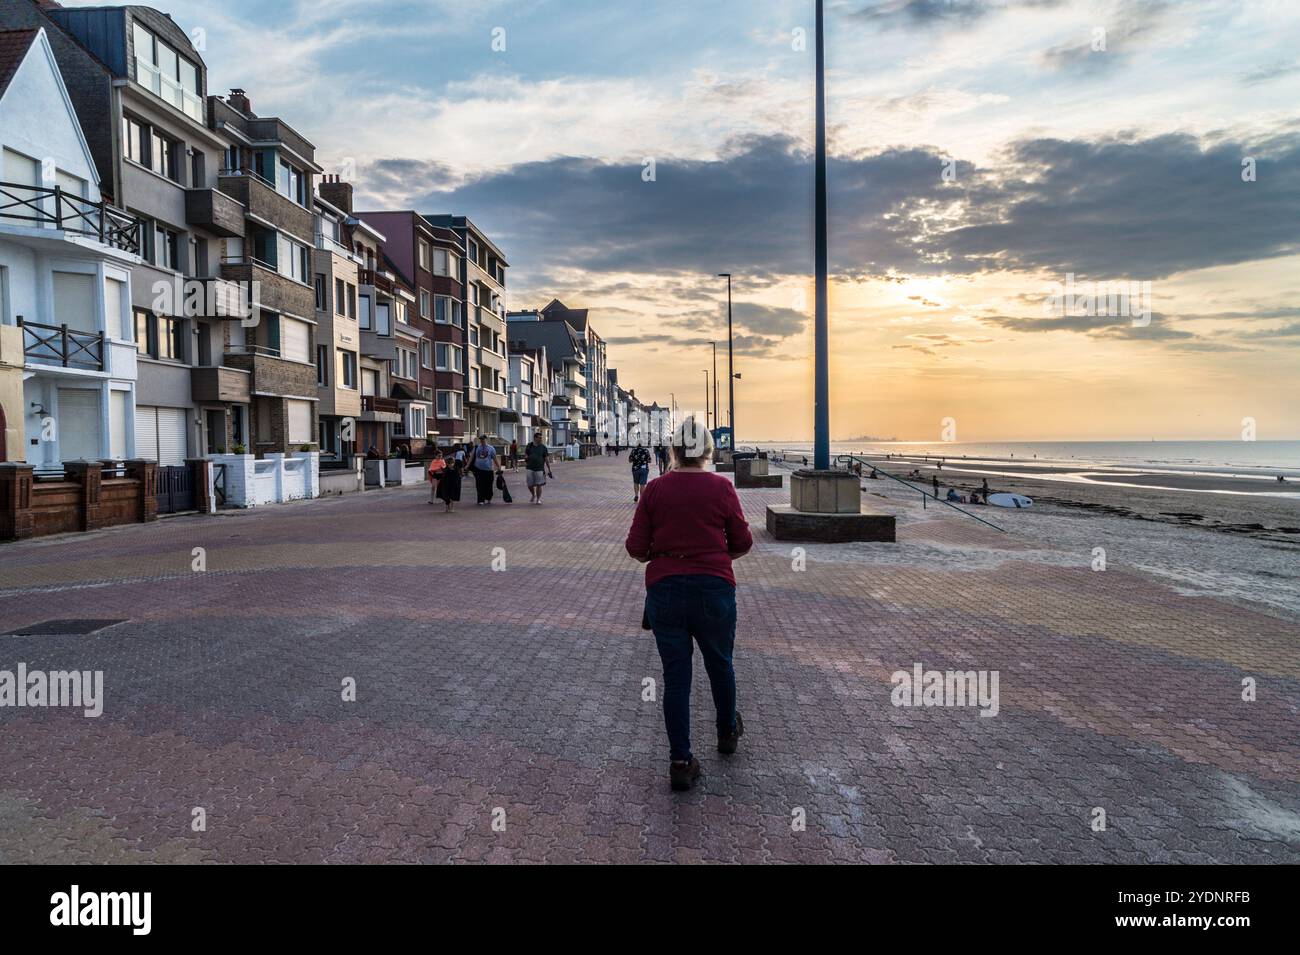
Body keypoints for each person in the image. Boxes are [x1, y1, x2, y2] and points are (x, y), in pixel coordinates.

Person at [625, 417, 752, 792]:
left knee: (677, 678)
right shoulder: (721, 488)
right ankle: (727, 731)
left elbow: (635, 548)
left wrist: (661, 555)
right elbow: (743, 542)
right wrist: (713, 555)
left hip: (665, 591)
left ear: (674, 450)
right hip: (714, 589)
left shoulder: (654, 490)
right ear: (708, 452)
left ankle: (680, 761)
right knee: (720, 664)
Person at [469, 435, 500, 505]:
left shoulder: (491, 448)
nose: (482, 441)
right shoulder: (477, 447)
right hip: (478, 469)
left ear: (486, 440)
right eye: (481, 440)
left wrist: (498, 467)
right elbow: (471, 457)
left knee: (489, 485)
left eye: (483, 439)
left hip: (489, 470)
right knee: (479, 485)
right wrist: (467, 466)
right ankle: (481, 500)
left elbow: (495, 458)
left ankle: (488, 498)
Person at [524, 431, 553, 504]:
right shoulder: (529, 446)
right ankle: (533, 495)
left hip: (539, 469)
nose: (541, 439)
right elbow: (525, 455)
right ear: (535, 438)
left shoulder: (543, 447)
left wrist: (549, 469)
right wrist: (527, 457)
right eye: (539, 438)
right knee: (530, 484)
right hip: (530, 468)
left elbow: (546, 459)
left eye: (541, 438)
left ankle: (538, 499)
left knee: (539, 484)